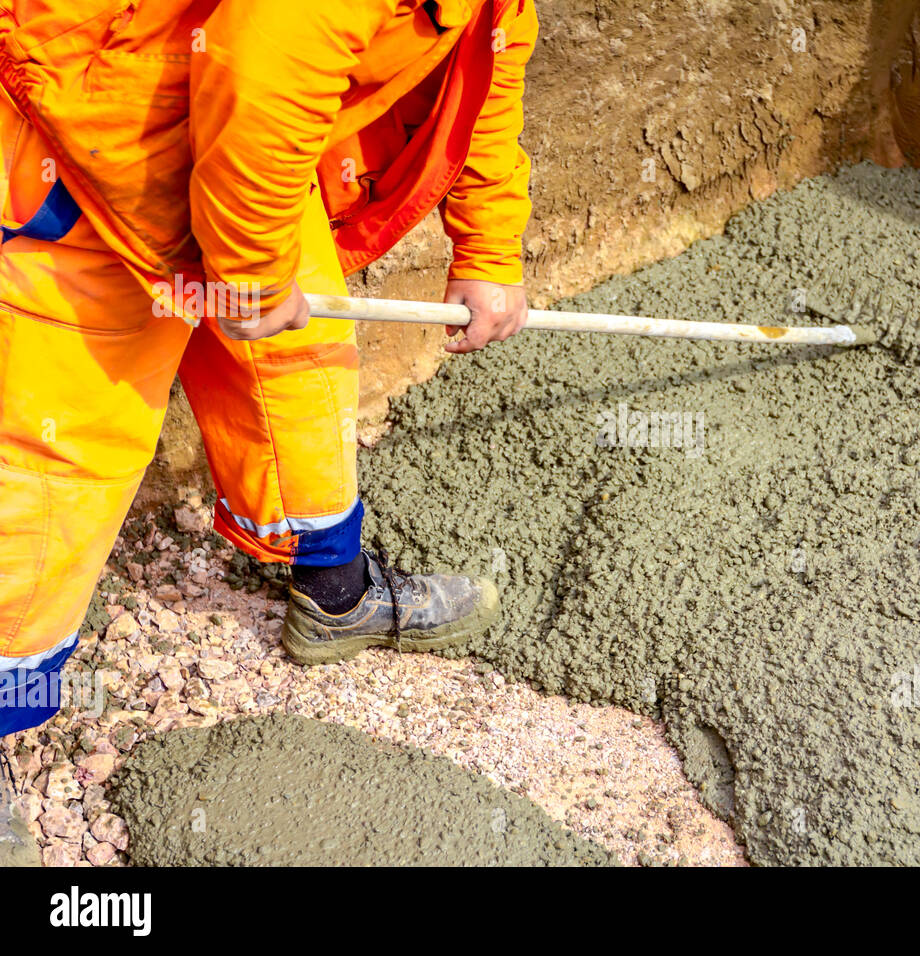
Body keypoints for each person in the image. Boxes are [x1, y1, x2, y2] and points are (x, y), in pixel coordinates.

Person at [0, 0, 538, 752]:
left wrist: (488, 247)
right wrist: (247, 275)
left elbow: (488, 49)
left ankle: (334, 594)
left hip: (237, 137)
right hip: (95, 132)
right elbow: (261, 63)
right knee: (63, 445)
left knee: (300, 352)